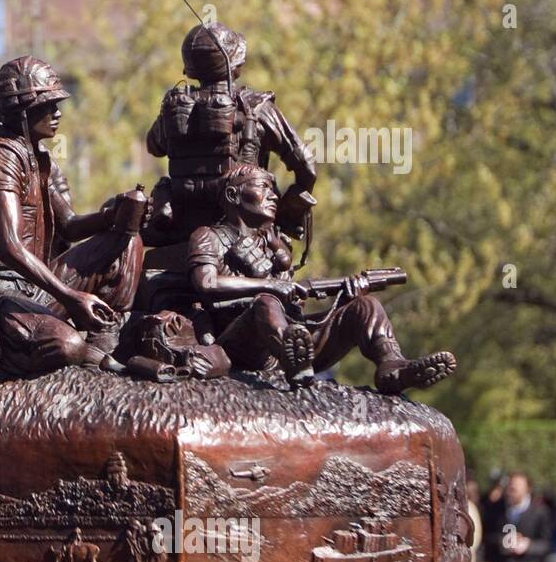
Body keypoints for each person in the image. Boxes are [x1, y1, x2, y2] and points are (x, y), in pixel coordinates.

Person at [0, 56, 144, 378]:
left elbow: (70, 225)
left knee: (127, 239)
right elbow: (9, 248)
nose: (58, 113)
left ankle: (107, 337)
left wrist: (114, 216)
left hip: (33, 286)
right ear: (23, 111)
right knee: (66, 347)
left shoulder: (37, 158)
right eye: (49, 105)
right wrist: (70, 297)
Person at [188, 163, 457, 392]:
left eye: (273, 189)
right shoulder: (208, 237)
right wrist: (271, 285)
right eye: (263, 188)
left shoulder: (275, 244)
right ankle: (294, 360)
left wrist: (345, 298)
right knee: (266, 303)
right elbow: (207, 282)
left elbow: (293, 304)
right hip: (239, 346)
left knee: (365, 307)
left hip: (291, 343)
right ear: (234, 194)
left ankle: (392, 367)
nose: (274, 196)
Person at [144, 22, 317, 248]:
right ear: (233, 65)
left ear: (190, 69)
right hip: (244, 238)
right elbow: (307, 168)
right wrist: (286, 215)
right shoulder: (256, 109)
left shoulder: (174, 109)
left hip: (180, 235)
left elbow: (153, 146)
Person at [482, 472, 554, 562]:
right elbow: (486, 536)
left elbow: (547, 544)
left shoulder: (540, 512)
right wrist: (502, 541)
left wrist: (528, 545)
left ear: (528, 489)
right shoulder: (495, 508)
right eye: (510, 485)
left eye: (517, 486)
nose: (512, 489)